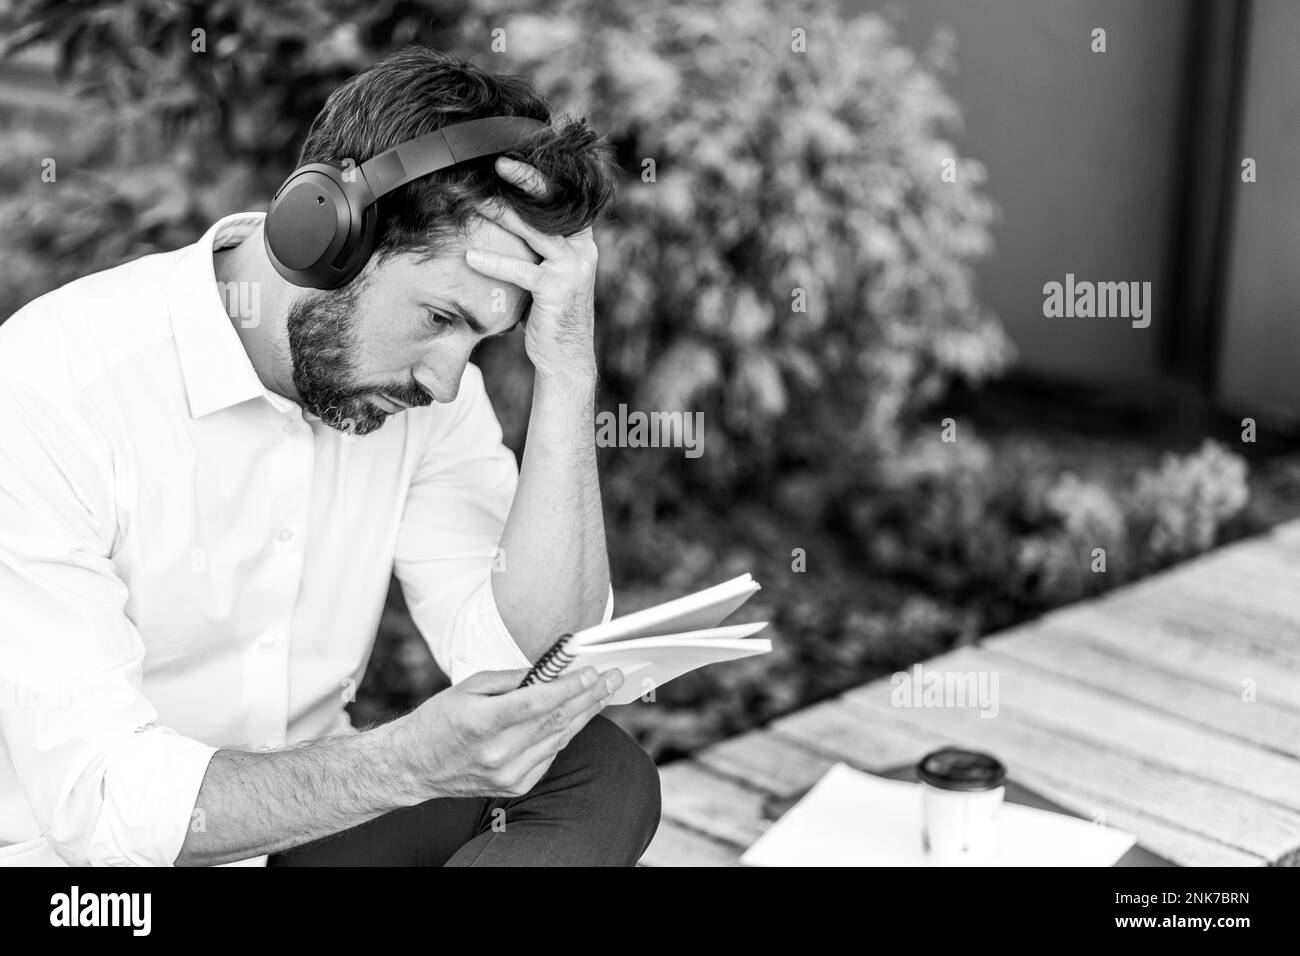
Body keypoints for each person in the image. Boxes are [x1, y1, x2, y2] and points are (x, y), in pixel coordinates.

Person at [0, 45, 660, 867]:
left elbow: (525, 668)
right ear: (322, 234)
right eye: (440, 318)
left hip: (303, 835)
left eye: (482, 340)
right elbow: (100, 806)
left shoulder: (424, 398)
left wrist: (566, 367)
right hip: (93, 874)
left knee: (596, 771)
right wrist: (407, 763)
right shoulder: (51, 387)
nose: (447, 381)